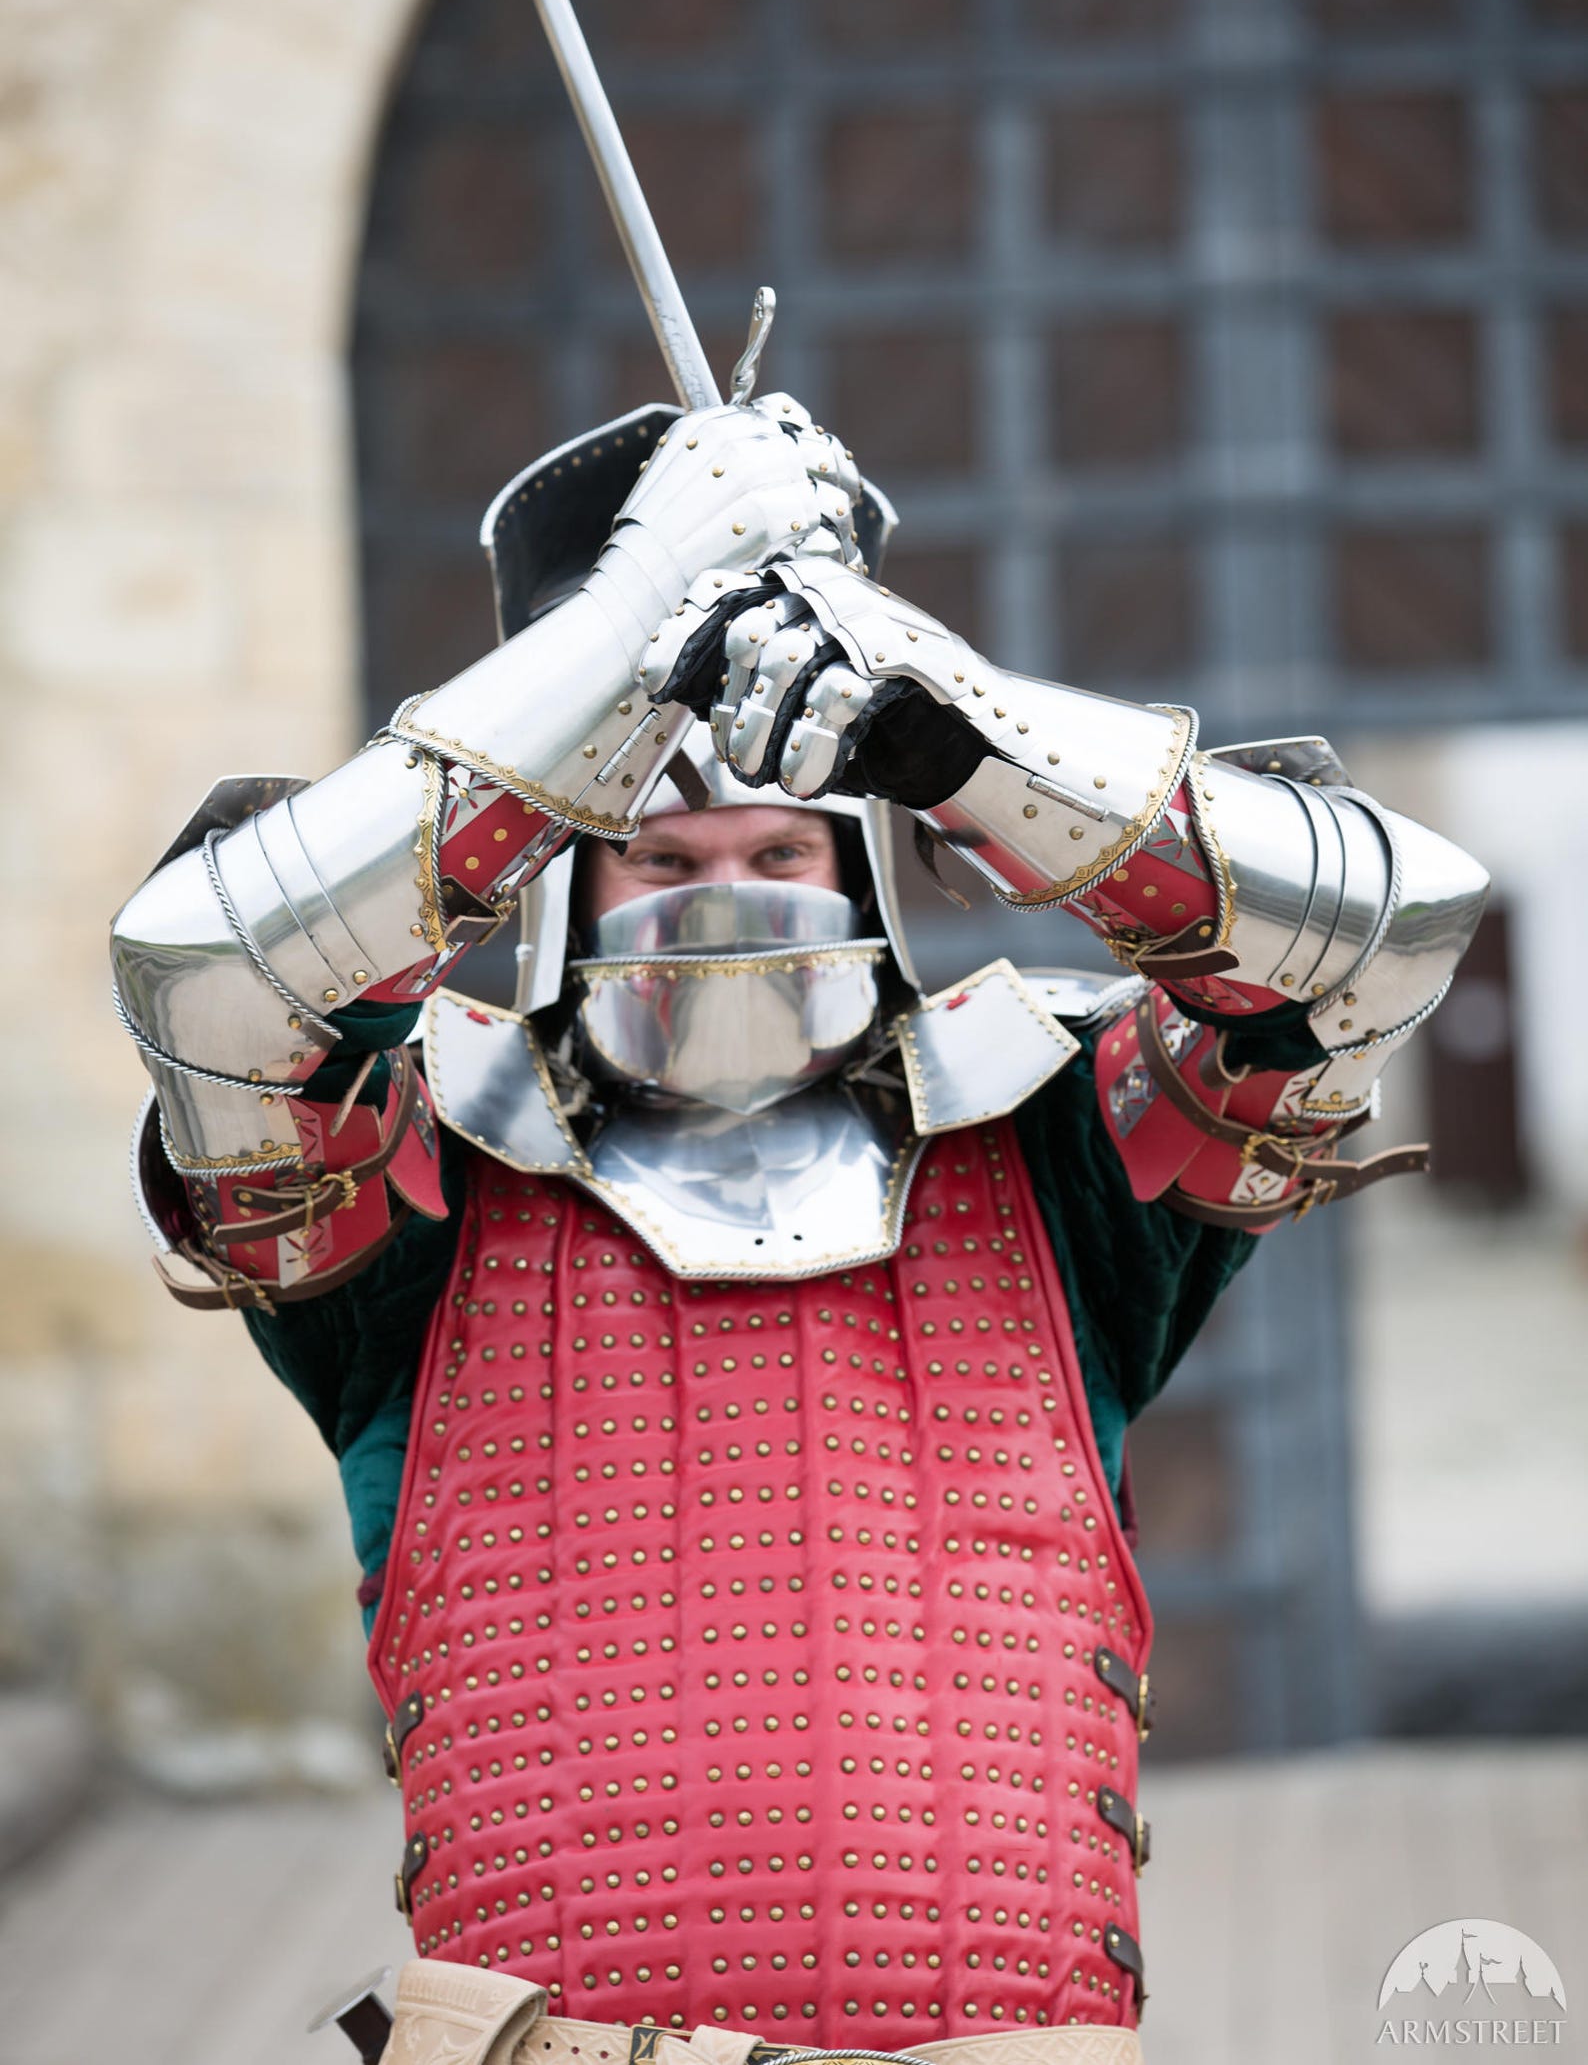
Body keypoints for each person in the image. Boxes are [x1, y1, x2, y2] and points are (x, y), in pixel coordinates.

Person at [110, 388, 1486, 2065]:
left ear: (867, 873)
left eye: (781, 844)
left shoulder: (1053, 1140)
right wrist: (622, 630)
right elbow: (212, 976)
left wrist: (956, 727)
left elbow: (1390, 935)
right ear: (553, 879)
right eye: (659, 854)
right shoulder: (411, 1188)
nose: (730, 891)